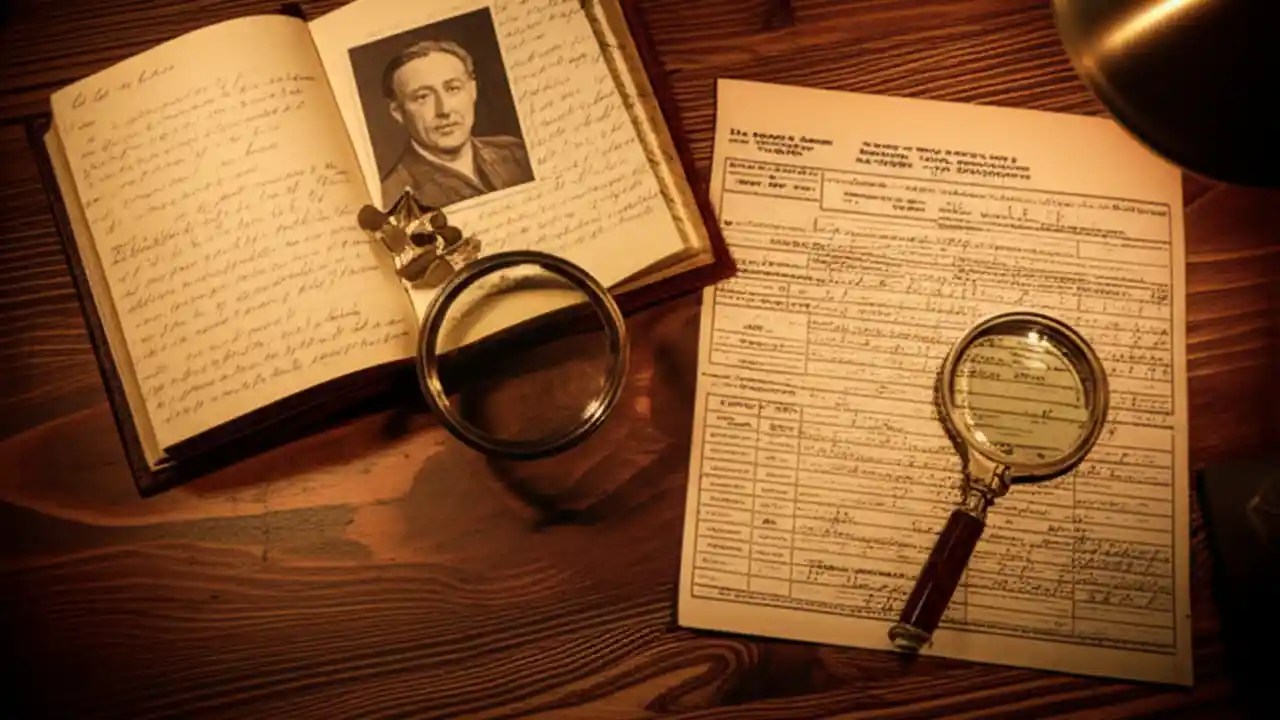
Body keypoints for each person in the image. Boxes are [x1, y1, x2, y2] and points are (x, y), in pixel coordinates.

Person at [379, 40, 533, 208]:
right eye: (423, 97)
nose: (444, 110)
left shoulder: (518, 154)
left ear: (472, 91)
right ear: (398, 112)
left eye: (453, 89)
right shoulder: (392, 200)